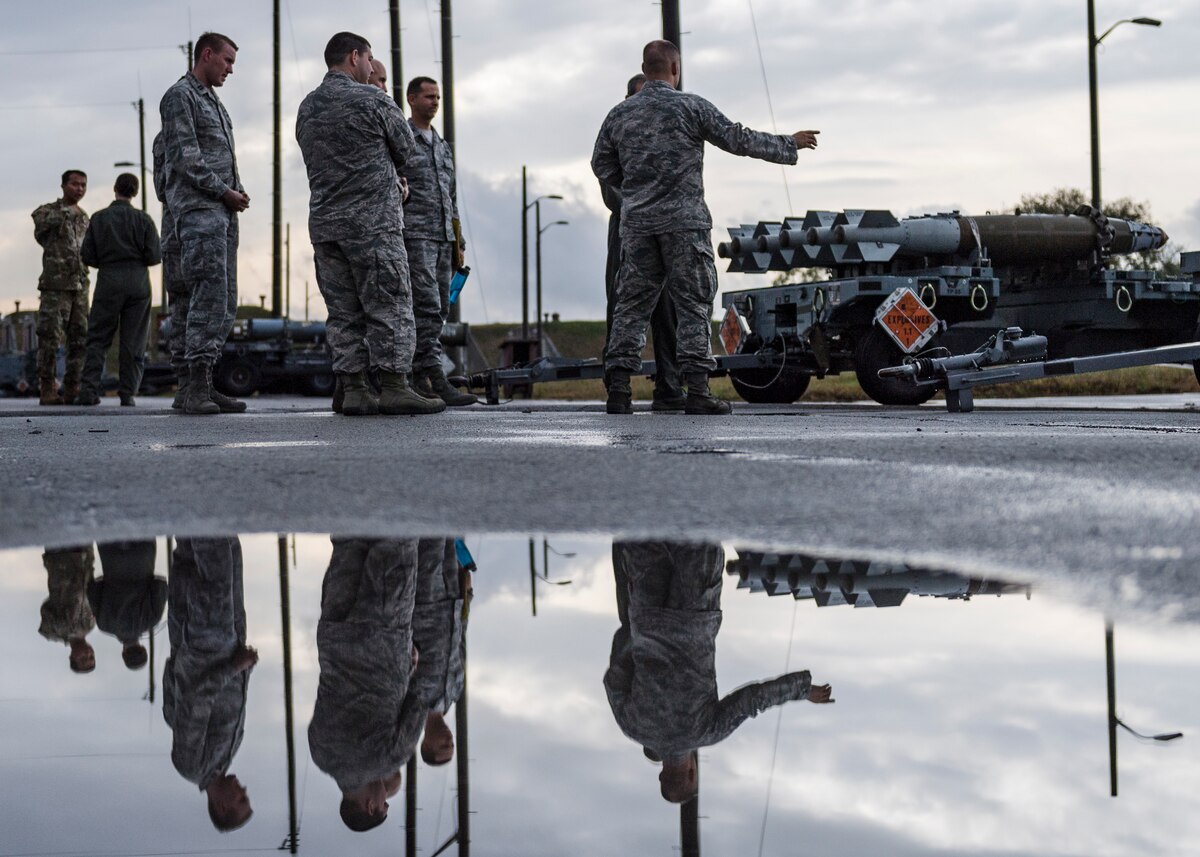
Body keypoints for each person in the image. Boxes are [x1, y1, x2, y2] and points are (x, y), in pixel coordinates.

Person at [591, 40, 819, 415]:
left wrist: (635, 188)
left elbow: (601, 164)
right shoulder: (691, 107)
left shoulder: (619, 115)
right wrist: (788, 144)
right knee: (693, 303)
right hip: (684, 225)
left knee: (630, 307)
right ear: (675, 69)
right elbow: (738, 138)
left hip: (638, 226)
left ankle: (618, 391)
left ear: (645, 69)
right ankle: (696, 390)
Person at [605, 540, 833, 803]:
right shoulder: (633, 727)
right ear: (662, 775)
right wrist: (638, 635)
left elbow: (753, 700)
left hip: (696, 618)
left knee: (700, 536)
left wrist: (802, 689)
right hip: (647, 619)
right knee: (647, 535)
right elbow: (616, 675)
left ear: (692, 773)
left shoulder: (707, 731)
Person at [296, 32, 444, 416]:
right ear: (355, 57)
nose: (369, 66)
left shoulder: (307, 107)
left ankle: (355, 388)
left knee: (343, 312)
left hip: (326, 226)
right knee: (389, 303)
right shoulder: (373, 99)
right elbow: (406, 149)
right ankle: (395, 385)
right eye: (368, 59)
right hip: (373, 224)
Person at [159, 32, 250, 415]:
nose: (230, 69)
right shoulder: (181, 96)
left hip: (219, 213)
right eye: (227, 61)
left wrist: (237, 191)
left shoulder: (214, 103)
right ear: (207, 54)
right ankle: (194, 384)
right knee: (205, 296)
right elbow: (186, 158)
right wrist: (224, 192)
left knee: (220, 299)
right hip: (199, 212)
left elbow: (222, 157)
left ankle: (200, 386)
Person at [308, 538, 424, 832]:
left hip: (384, 633)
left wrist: (407, 667)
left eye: (384, 804)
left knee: (398, 538)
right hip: (335, 637)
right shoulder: (320, 754)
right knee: (350, 539)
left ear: (369, 806)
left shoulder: (387, 759)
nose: (386, 797)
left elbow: (418, 706)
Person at [600, 73, 684, 411]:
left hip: (664, 231)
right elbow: (608, 183)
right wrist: (641, 211)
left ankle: (669, 385)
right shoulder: (619, 128)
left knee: (667, 311)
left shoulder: (669, 132)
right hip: (627, 232)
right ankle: (618, 387)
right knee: (623, 308)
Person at [163, 537, 256, 832]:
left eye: (241, 799)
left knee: (211, 551)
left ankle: (194, 496)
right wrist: (245, 668)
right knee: (226, 549)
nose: (243, 790)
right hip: (222, 638)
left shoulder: (191, 765)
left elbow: (195, 702)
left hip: (206, 643)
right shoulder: (226, 755)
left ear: (222, 806)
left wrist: (234, 666)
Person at [403, 76, 475, 406]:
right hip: (415, 236)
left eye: (438, 97)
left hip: (443, 240)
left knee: (442, 308)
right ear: (411, 100)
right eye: (429, 96)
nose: (435, 102)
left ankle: (421, 377)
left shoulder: (442, 146)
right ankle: (432, 377)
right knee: (426, 308)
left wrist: (457, 242)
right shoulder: (402, 140)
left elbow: (452, 197)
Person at [76, 174, 162, 406]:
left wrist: (107, 262)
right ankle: (128, 393)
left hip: (108, 280)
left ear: (115, 189)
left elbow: (87, 255)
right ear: (135, 192)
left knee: (98, 337)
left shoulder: (99, 218)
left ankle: (89, 391)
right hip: (138, 282)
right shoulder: (143, 219)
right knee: (133, 340)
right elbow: (155, 256)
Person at [31, 170, 90, 405]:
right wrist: (64, 213)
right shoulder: (48, 211)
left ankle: (72, 386)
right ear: (63, 185)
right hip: (55, 286)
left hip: (80, 286)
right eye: (75, 184)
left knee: (79, 338)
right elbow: (40, 225)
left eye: (84, 185)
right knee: (49, 337)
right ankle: (47, 387)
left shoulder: (85, 217)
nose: (80, 189)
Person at [411, 537, 471, 766]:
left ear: (426, 744)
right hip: (453, 600)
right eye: (452, 745)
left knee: (430, 539)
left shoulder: (412, 702)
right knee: (451, 535)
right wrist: (467, 599)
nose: (449, 740)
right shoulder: (453, 693)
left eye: (443, 745)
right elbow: (460, 643)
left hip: (425, 601)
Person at [151, 132, 190, 409]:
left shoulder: (162, 139)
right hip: (187, 225)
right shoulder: (180, 136)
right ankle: (192, 383)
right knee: (191, 304)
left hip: (176, 227)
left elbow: (160, 188)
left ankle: (190, 384)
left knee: (183, 306)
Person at [86, 539, 166, 670]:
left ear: (143, 648)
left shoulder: (152, 621)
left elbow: (160, 584)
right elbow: (92, 590)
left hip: (142, 557)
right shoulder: (104, 624)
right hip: (111, 559)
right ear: (123, 653)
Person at [38, 544, 97, 674]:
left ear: (72, 657)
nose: (88, 654)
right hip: (84, 559)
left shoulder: (53, 632)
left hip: (60, 564)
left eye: (83, 659)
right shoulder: (91, 625)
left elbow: (46, 609)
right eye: (91, 657)